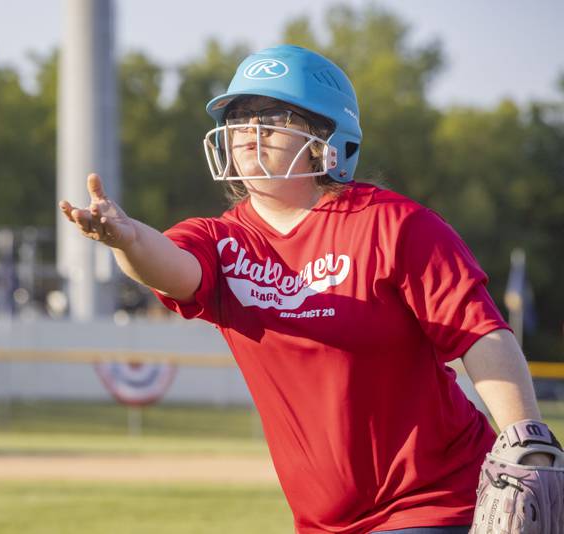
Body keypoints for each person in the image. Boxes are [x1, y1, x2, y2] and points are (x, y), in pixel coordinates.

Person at [60, 45, 562, 532]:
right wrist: (125, 239)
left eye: (274, 117)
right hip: (323, 522)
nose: (249, 130)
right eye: (239, 116)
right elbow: (169, 265)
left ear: (329, 139)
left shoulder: (394, 225)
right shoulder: (222, 240)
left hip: (435, 500)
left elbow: (479, 334)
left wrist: (526, 440)